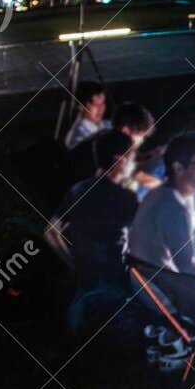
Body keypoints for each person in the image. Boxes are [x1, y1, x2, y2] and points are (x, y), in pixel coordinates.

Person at [44, 130, 139, 332]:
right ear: (119, 160)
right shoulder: (127, 198)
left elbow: (50, 232)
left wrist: (74, 263)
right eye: (132, 158)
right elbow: (140, 242)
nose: (133, 164)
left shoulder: (77, 190)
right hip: (117, 289)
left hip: (85, 290)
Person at [128, 131, 195, 276]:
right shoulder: (172, 207)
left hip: (148, 278)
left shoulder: (164, 193)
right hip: (158, 287)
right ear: (178, 168)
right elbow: (188, 269)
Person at [114, 101, 163, 194]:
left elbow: (133, 167)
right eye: (141, 136)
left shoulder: (120, 146)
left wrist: (149, 155)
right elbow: (133, 175)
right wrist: (164, 189)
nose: (142, 141)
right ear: (126, 131)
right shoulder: (116, 153)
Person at [63, 81, 109, 150]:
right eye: (96, 105)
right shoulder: (76, 137)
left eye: (103, 103)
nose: (101, 109)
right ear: (80, 106)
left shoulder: (107, 124)